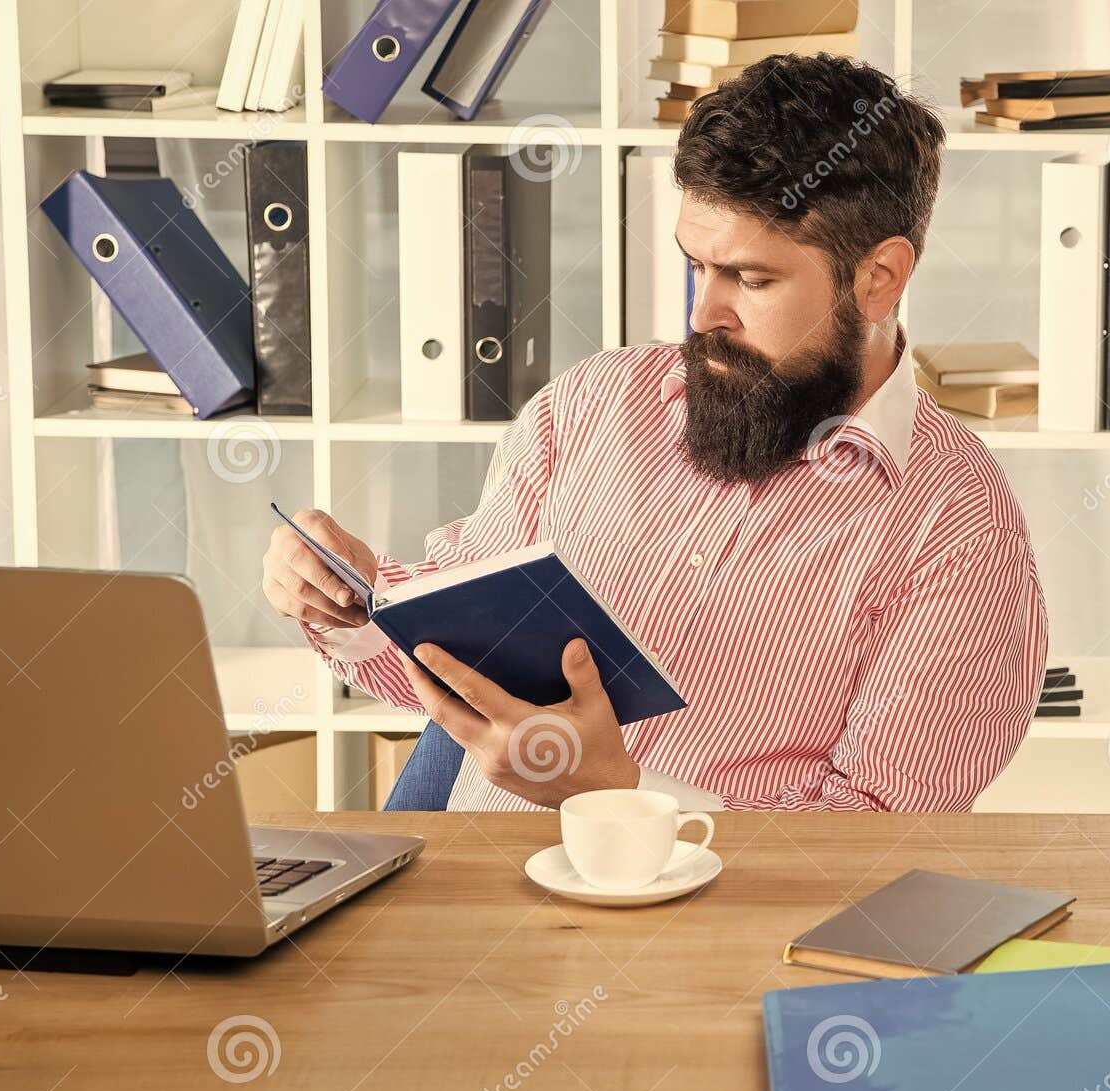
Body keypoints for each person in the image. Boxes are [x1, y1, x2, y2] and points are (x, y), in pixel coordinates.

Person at [263, 53, 1047, 813]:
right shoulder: (591, 408)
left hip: (709, 939)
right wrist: (354, 609)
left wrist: (626, 798)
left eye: (753, 278)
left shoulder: (960, 531)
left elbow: (874, 849)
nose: (704, 316)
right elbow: (459, 678)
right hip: (478, 903)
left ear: (878, 279)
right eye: (696, 266)